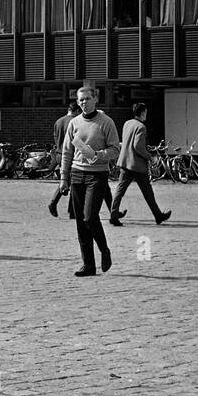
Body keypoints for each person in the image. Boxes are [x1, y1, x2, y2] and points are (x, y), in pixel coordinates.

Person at [60, 84, 120, 278]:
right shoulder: (74, 123)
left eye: (87, 98)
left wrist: (98, 154)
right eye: (81, 100)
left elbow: (115, 150)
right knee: (80, 222)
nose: (84, 102)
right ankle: (88, 265)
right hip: (77, 174)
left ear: (95, 99)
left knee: (89, 216)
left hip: (97, 174)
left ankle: (104, 249)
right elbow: (67, 152)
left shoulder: (106, 122)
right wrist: (63, 178)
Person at [109, 103, 171, 226]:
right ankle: (158, 215)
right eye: (146, 112)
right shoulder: (141, 127)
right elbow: (138, 146)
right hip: (137, 165)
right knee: (148, 192)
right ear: (142, 113)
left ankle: (114, 214)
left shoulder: (127, 123)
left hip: (125, 162)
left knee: (120, 190)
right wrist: (149, 157)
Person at [47, 101, 79, 218]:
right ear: (77, 111)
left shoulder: (59, 121)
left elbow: (55, 138)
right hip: (71, 154)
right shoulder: (75, 121)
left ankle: (70, 209)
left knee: (67, 180)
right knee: (74, 181)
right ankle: (67, 208)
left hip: (59, 153)